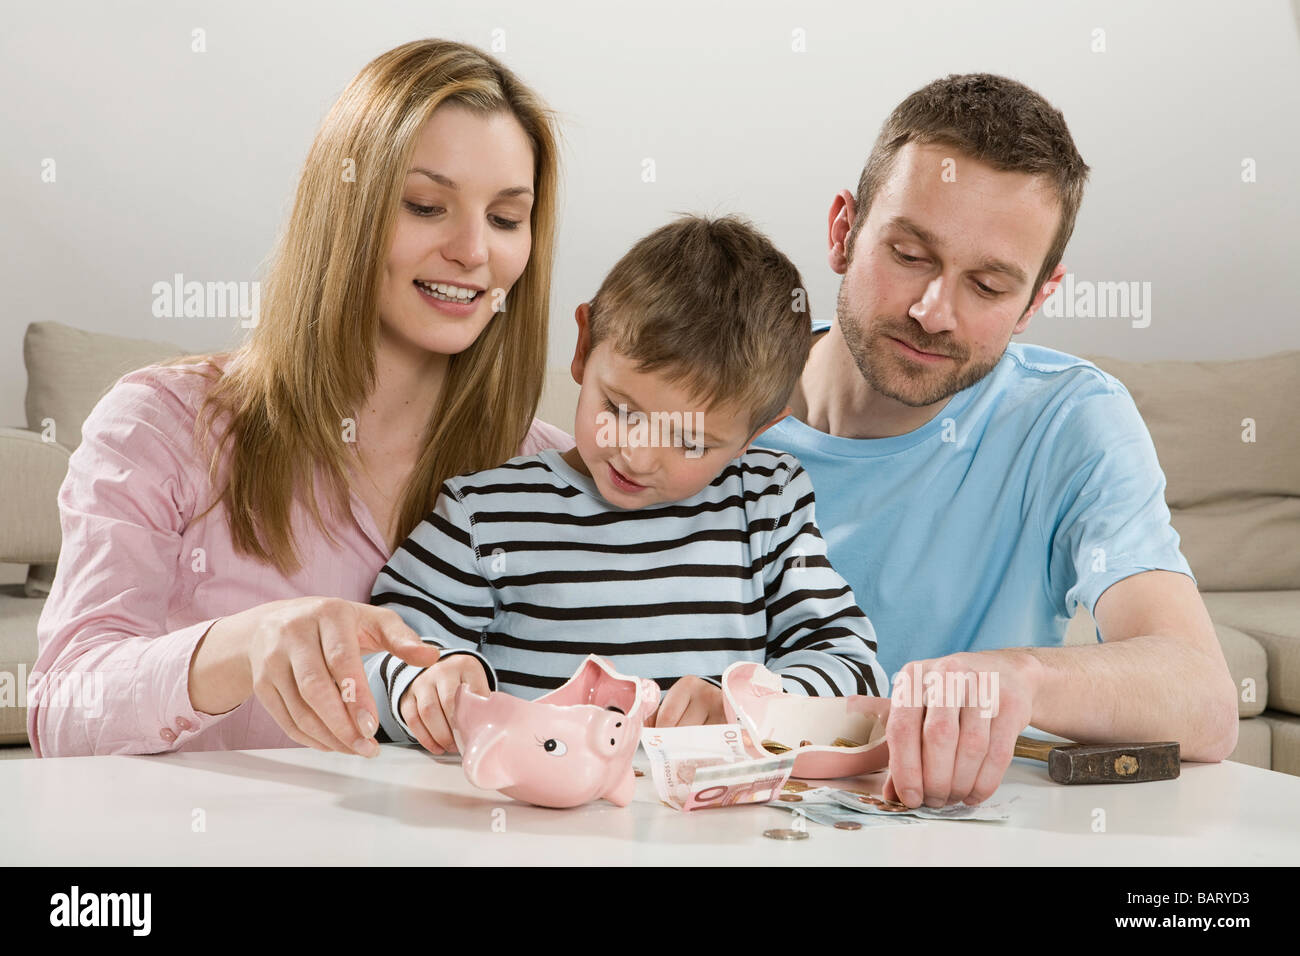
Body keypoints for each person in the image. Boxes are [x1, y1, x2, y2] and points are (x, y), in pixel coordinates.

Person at [27, 39, 574, 757]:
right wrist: (238, 648)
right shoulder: (162, 427)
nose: (473, 250)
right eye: (425, 205)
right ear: (344, 208)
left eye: (506, 219)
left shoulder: (554, 474)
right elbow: (64, 708)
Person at [761, 73, 1239, 808]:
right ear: (842, 231)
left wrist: (1018, 676)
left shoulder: (1070, 421)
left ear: (1035, 302)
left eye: (987, 286)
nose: (934, 312)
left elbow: (1204, 699)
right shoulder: (716, 401)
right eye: (910, 254)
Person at [364, 215, 888, 754]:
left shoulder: (765, 504)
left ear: (758, 432)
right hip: (533, 829)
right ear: (583, 345)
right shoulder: (486, 512)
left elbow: (856, 673)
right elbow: (377, 647)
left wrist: (747, 703)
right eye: (620, 408)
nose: (635, 455)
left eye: (689, 442)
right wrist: (424, 687)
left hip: (714, 831)